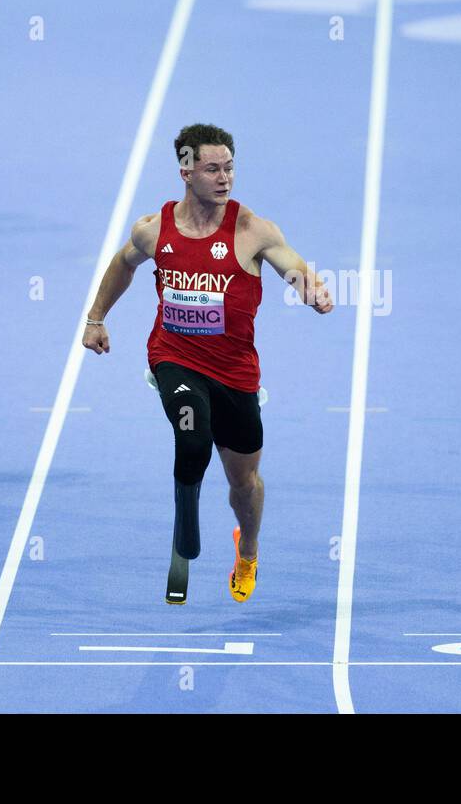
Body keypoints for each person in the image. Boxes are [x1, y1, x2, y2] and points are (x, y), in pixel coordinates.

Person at [82, 124, 332, 603]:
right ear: (186, 171)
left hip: (236, 374)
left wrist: (310, 287)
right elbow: (123, 264)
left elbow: (291, 263)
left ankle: (249, 548)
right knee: (192, 434)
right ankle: (185, 535)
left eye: (230, 167)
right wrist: (96, 318)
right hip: (174, 358)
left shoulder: (252, 229)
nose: (225, 178)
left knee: (243, 483)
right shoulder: (154, 229)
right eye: (213, 169)